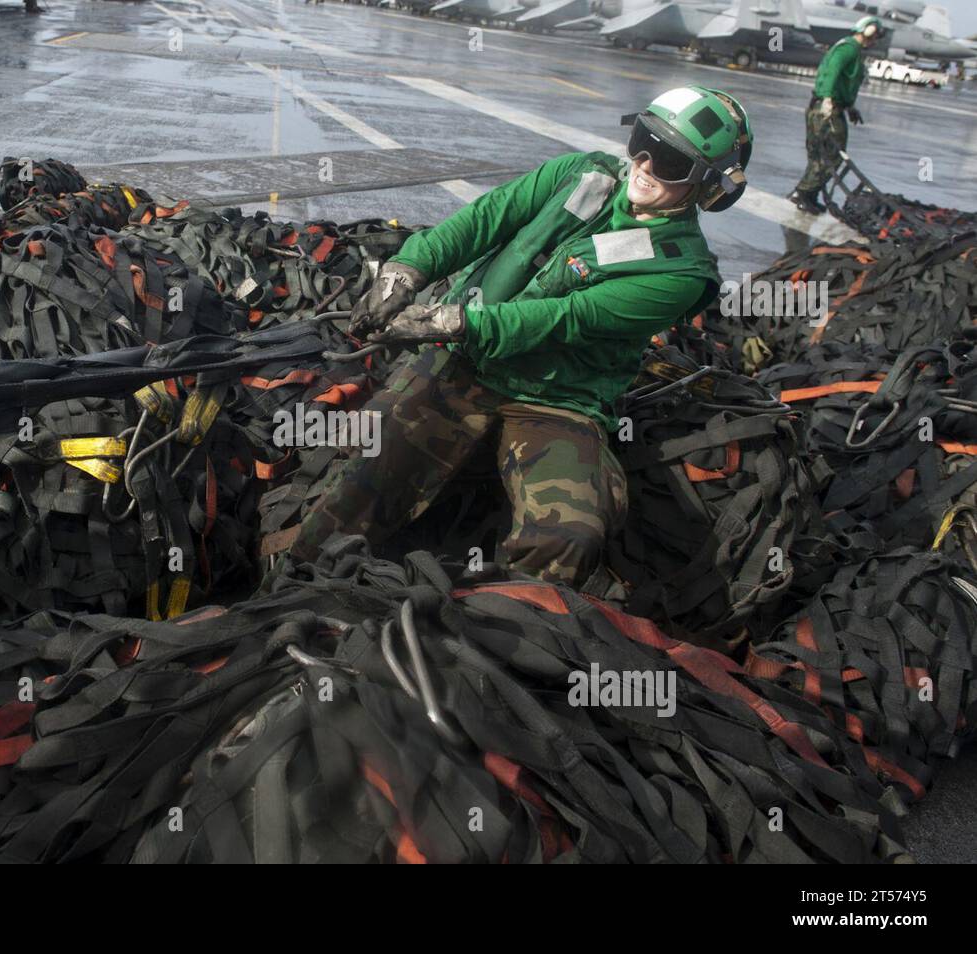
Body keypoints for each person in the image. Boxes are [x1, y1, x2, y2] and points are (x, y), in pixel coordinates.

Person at [280, 86, 752, 587]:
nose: (643, 164)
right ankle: (294, 589)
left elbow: (566, 317)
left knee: (571, 532)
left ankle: (491, 629)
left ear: (709, 186)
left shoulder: (681, 272)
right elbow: (484, 220)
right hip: (467, 363)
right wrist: (405, 272)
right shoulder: (581, 173)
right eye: (642, 141)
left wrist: (446, 322)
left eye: (670, 162)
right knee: (360, 481)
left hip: (555, 400)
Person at [788, 15, 884, 215]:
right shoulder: (848, 48)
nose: (875, 40)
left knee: (820, 154)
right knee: (832, 154)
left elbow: (843, 80)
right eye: (875, 34)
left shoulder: (851, 48)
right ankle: (802, 193)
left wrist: (849, 106)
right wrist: (828, 99)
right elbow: (833, 71)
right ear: (868, 30)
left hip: (828, 106)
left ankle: (809, 195)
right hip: (826, 109)